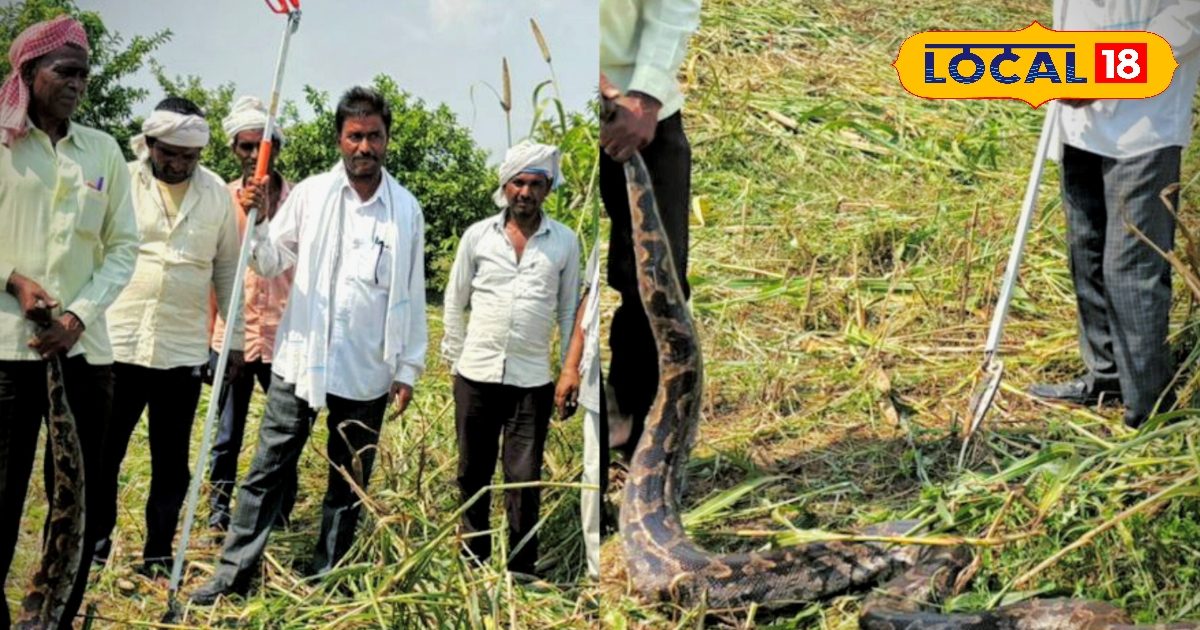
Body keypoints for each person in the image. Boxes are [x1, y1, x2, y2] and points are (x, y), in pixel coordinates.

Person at [191, 86, 428, 603]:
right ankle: (233, 576)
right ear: (339, 139)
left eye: (374, 136)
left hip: (367, 369)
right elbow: (271, 260)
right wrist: (254, 227)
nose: (364, 147)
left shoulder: (405, 211)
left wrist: (407, 368)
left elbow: (411, 293)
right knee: (265, 471)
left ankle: (328, 579)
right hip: (299, 361)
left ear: (387, 140)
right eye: (354, 136)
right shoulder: (313, 195)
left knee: (347, 482)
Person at [0, 15, 139, 628]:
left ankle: (54, 617)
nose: (78, 83)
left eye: (85, 73)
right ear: (29, 72)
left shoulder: (102, 150)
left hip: (85, 356)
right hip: (8, 347)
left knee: (79, 499)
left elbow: (123, 248)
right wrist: (13, 280)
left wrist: (78, 317)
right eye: (66, 71)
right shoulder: (3, 143)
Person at [93, 96, 245, 575]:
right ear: (150, 144)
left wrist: (232, 340)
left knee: (172, 463)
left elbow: (228, 271)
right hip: (117, 341)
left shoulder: (216, 193)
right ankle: (96, 543)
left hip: (182, 351)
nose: (178, 164)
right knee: (105, 453)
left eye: (189, 156)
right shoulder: (120, 180)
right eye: (169, 154)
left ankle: (158, 551)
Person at [1030, 1, 1200, 428]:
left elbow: (1188, 19)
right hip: (1078, 117)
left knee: (1131, 267)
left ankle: (1149, 408)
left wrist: (1103, 74)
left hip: (1143, 124)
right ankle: (1105, 377)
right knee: (1085, 250)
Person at [442, 141, 580, 577]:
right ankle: (474, 561)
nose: (526, 192)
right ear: (505, 185)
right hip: (476, 374)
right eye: (519, 182)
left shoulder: (564, 242)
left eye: (536, 184)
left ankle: (521, 568)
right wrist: (456, 359)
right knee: (472, 471)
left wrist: (567, 369)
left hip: (532, 379)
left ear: (547, 189)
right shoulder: (477, 236)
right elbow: (453, 300)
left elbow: (569, 311)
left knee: (523, 477)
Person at [600, 0, 701, 460]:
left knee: (658, 283)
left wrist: (644, 95)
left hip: (641, 110)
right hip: (556, 93)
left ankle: (641, 430)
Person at [206, 95, 297, 532]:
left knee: (283, 433)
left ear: (275, 148)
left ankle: (278, 512)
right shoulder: (221, 201)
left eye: (262, 145)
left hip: (283, 336)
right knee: (226, 434)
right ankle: (219, 511)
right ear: (233, 150)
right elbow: (213, 272)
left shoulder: (300, 202)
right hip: (233, 336)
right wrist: (213, 335)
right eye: (244, 146)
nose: (253, 155)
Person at [554, 244, 602, 579]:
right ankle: (597, 572)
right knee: (594, 472)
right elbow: (589, 301)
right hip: (597, 378)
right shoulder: (602, 245)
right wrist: (571, 366)